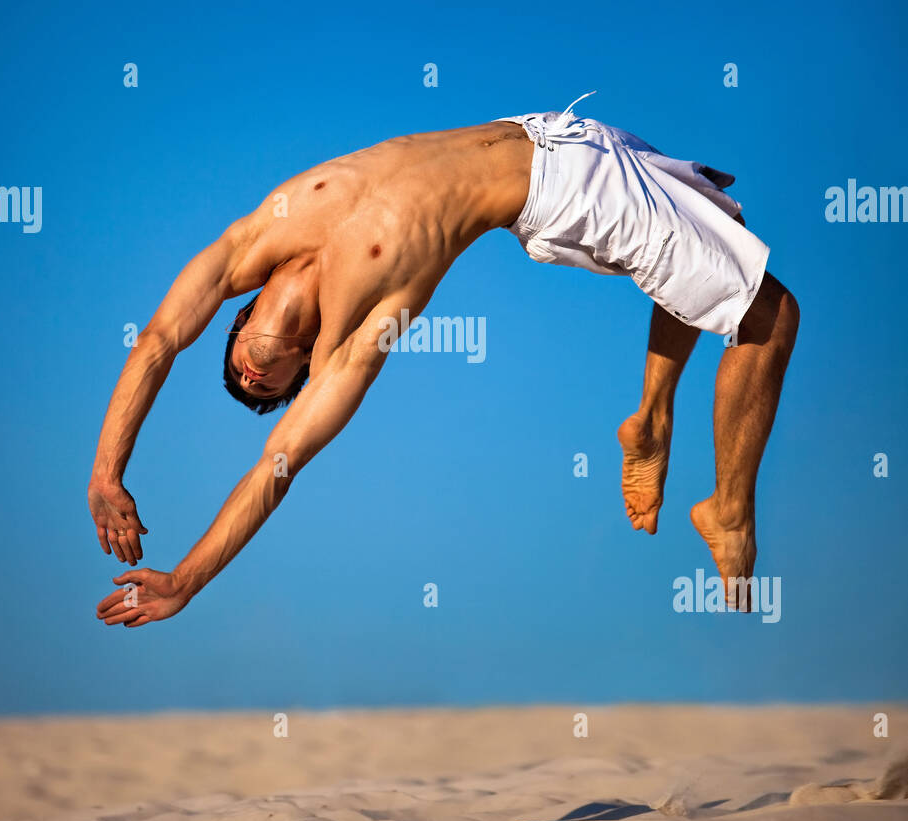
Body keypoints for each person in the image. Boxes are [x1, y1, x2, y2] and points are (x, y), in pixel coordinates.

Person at [90, 95, 799, 628]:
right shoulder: (353, 341)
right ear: (303, 366)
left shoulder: (252, 237)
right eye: (266, 389)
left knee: (719, 233)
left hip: (559, 131)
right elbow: (273, 468)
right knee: (768, 315)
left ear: (236, 317)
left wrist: (106, 474)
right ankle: (728, 508)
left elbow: (155, 342)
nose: (251, 380)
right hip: (559, 193)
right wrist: (186, 579)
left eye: (237, 372)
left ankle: (649, 418)